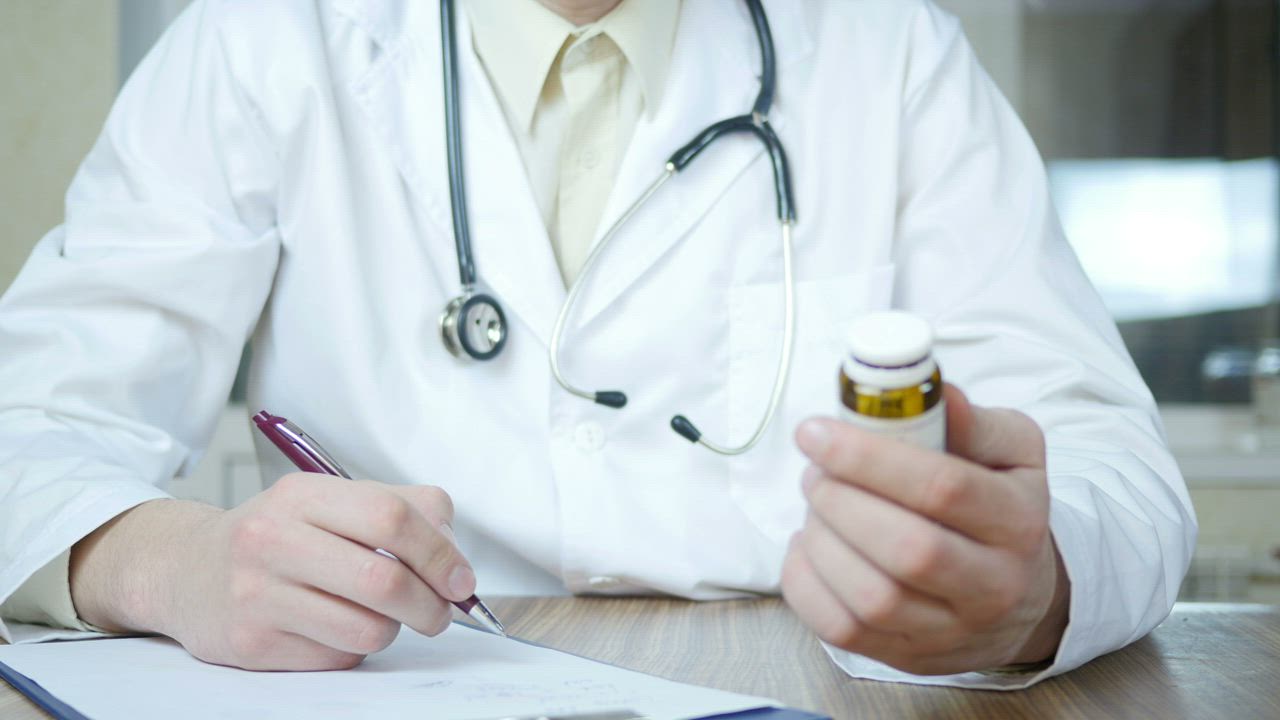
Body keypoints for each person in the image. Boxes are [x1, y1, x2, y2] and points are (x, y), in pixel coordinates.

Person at [0, 0, 1194, 689]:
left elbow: (1111, 468)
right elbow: (28, 422)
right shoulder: (267, 37)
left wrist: (1028, 583)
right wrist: (168, 564)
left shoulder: (883, 47)